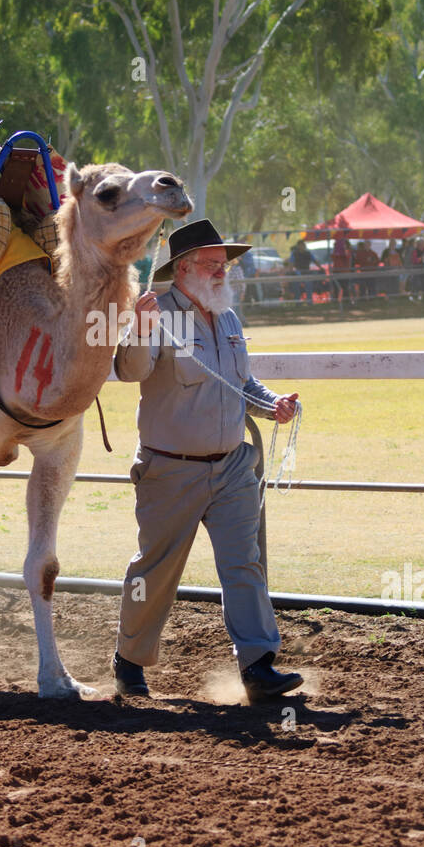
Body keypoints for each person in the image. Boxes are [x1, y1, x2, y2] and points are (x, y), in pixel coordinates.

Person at [111, 218, 303, 705]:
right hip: (170, 469)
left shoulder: (229, 317)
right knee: (154, 571)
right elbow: (129, 371)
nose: (222, 271)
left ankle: (258, 666)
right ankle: (128, 661)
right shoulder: (158, 314)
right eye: (211, 263)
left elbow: (243, 383)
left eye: (224, 264)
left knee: (245, 565)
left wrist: (273, 404)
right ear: (182, 269)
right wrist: (138, 329)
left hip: (233, 465)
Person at [287, 237, 324, 302]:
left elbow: (315, 261)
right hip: (298, 273)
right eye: (300, 245)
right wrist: (290, 271)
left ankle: (309, 301)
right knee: (296, 285)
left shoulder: (308, 253)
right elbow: (291, 263)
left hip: (307, 272)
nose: (302, 246)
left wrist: (320, 268)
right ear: (298, 246)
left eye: (303, 245)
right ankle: (297, 302)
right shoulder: (294, 253)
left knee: (308, 285)